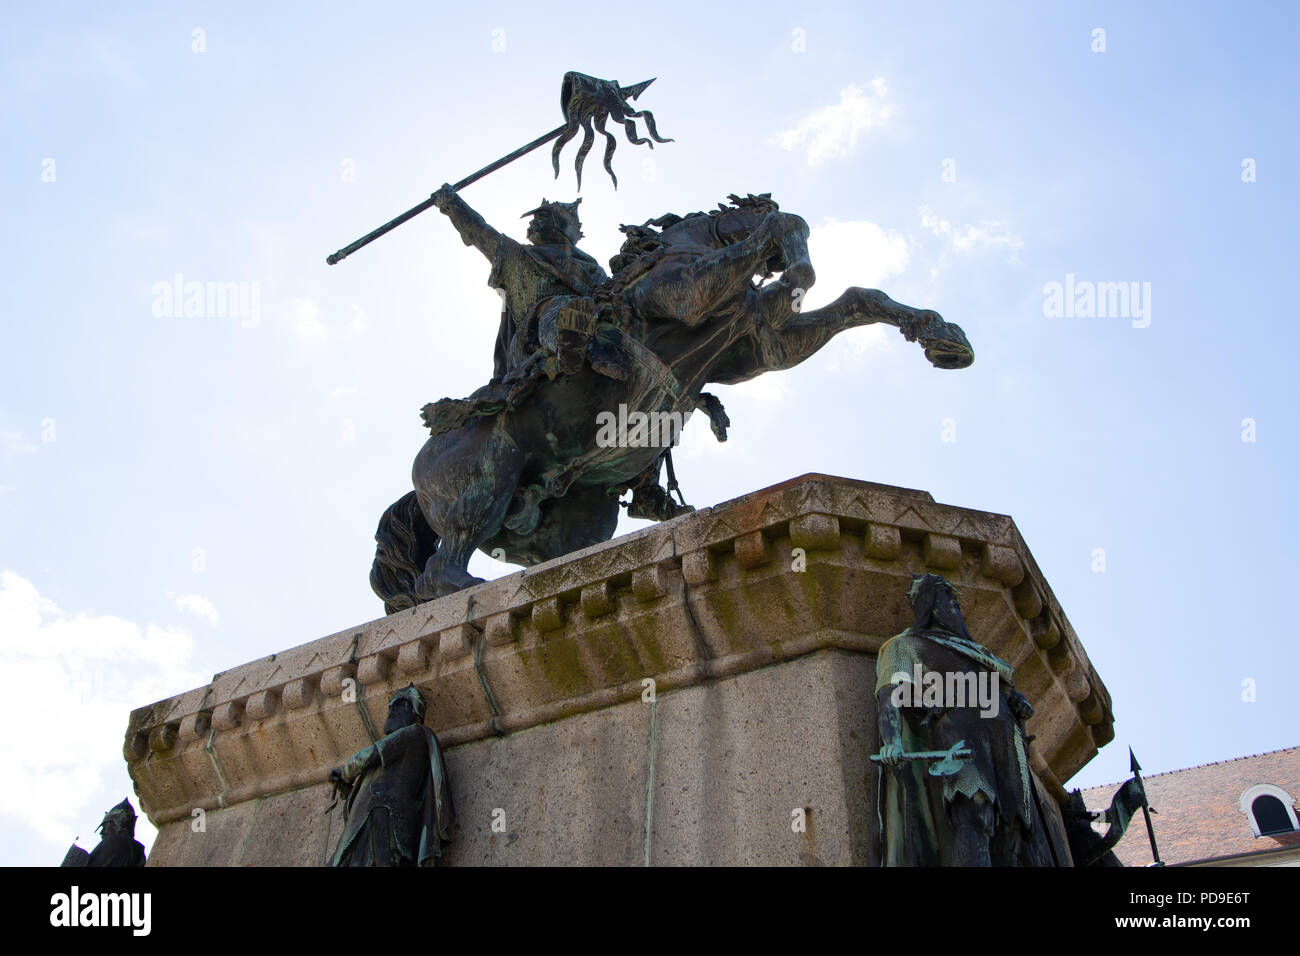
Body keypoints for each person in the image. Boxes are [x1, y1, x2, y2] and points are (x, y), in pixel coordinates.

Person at [875, 573, 1052, 866]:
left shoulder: (979, 652)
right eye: (948, 599)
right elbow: (889, 695)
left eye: (955, 600)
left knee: (1013, 831)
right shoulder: (905, 646)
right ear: (930, 603)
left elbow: (1004, 690)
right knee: (974, 813)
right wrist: (891, 741)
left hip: (1005, 741)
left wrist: (1017, 701)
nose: (955, 606)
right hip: (958, 736)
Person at [429, 186, 624, 381]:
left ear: (559, 225)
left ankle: (592, 350)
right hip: (525, 341)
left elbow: (608, 294)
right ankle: (587, 351)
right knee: (552, 311)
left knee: (562, 308)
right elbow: (479, 231)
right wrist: (451, 203)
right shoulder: (516, 255)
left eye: (541, 217)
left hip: (575, 312)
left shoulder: (586, 265)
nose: (532, 222)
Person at [328, 684, 454, 867]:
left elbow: (369, 755)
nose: (392, 711)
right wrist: (346, 787)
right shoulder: (404, 745)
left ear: (412, 712)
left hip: (385, 812)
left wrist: (344, 773)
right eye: (392, 707)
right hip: (375, 812)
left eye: (399, 706)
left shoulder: (415, 733)